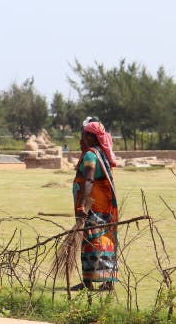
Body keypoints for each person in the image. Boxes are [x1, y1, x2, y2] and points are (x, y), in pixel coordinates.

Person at [72, 117, 118, 292]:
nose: (82, 136)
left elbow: (89, 180)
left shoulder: (91, 154)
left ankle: (89, 281)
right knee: (105, 238)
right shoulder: (101, 152)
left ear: (91, 137)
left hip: (93, 204)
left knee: (91, 239)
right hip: (103, 204)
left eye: (84, 134)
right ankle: (106, 282)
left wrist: (82, 206)